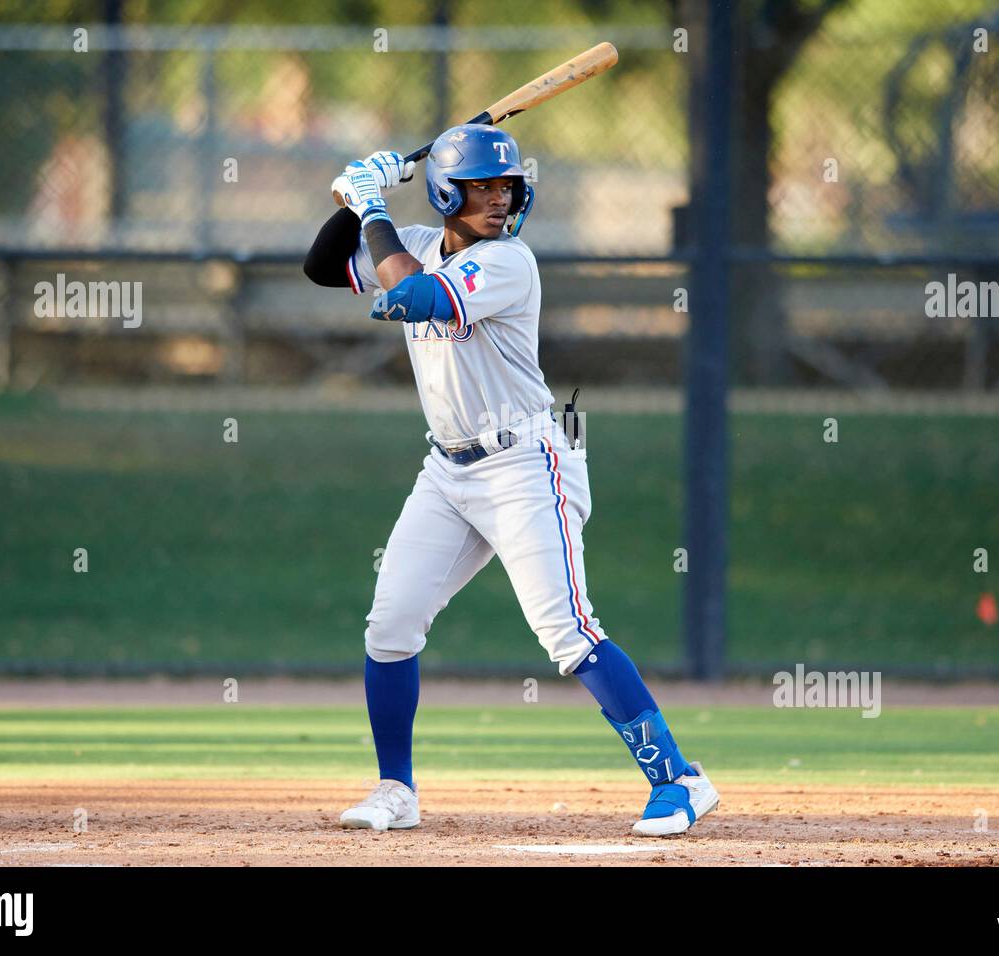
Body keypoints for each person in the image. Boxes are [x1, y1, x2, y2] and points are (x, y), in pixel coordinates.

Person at [303, 126, 718, 836]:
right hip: (447, 468)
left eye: (505, 187)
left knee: (567, 631)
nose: (498, 199)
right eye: (481, 187)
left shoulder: (508, 263)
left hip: (526, 462)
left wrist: (371, 205)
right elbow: (321, 267)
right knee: (391, 624)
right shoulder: (415, 243)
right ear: (443, 193)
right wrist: (352, 198)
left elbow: (409, 296)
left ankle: (679, 781)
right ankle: (396, 790)